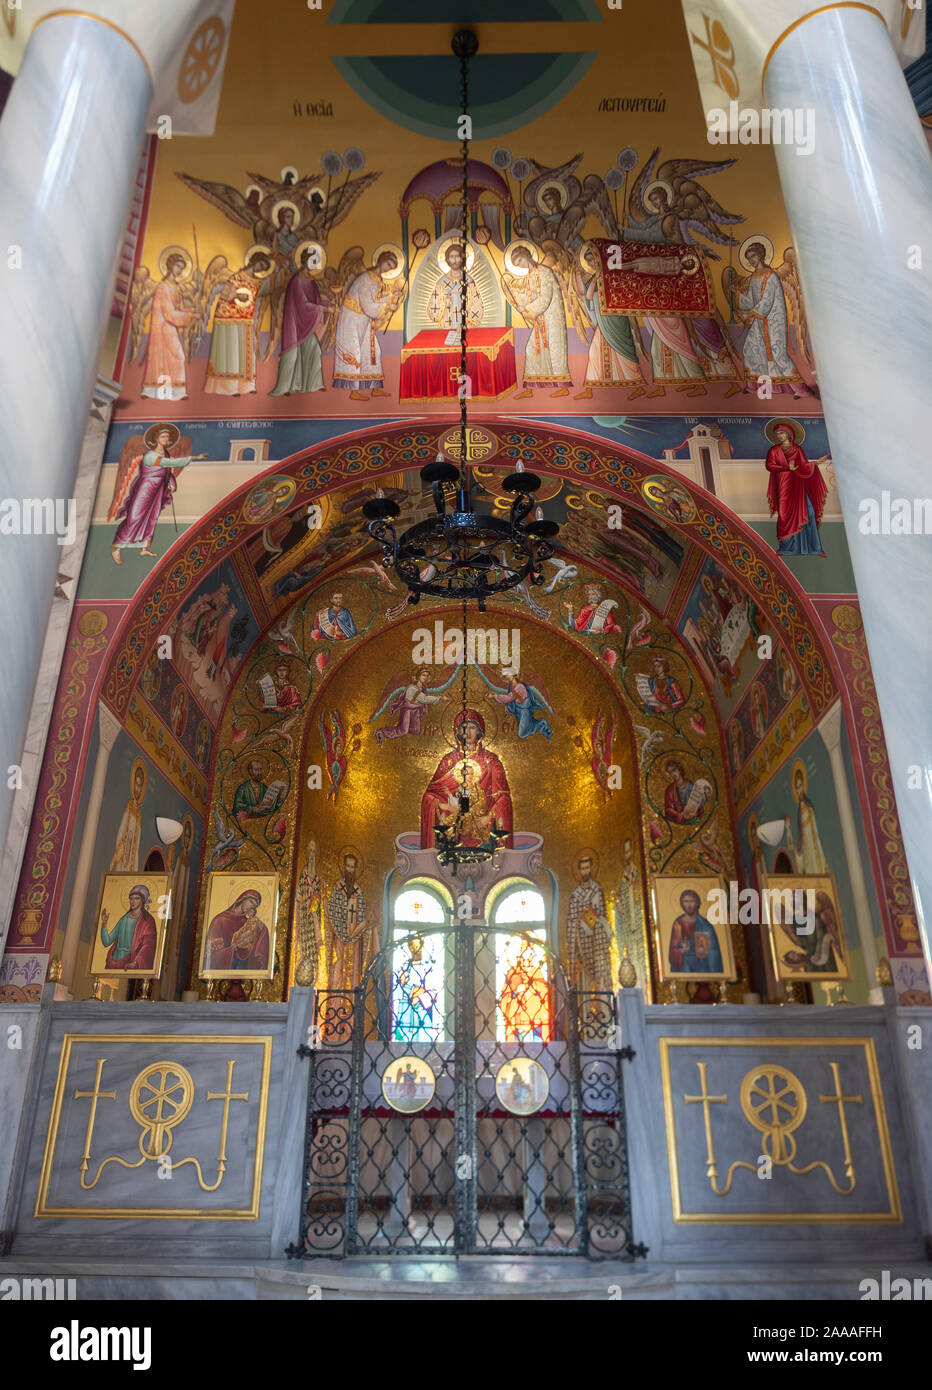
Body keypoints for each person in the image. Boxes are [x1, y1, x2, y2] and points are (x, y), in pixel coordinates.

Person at [109, 424, 206, 564]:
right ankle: (117, 549)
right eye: (163, 436)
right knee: (135, 515)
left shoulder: (165, 453)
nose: (166, 439)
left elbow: (166, 469)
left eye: (167, 437)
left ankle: (144, 547)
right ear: (156, 439)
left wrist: (171, 481)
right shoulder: (150, 455)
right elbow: (166, 463)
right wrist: (194, 458)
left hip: (158, 488)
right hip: (146, 487)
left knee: (152, 517)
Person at [420, 710, 512, 850]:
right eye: (463, 727)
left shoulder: (491, 761)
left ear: (480, 731)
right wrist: (443, 806)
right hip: (453, 833)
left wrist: (490, 816)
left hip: (483, 830)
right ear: (457, 731)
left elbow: (503, 797)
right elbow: (431, 795)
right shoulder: (448, 762)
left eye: (472, 727)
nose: (467, 732)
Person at [333, 249, 405, 400]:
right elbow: (369, 306)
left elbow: (376, 300)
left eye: (391, 267)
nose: (388, 269)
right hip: (351, 319)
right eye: (388, 264)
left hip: (363, 319)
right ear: (381, 261)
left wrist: (392, 297)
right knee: (354, 352)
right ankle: (354, 391)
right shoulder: (366, 278)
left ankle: (374, 387)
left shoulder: (376, 279)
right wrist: (387, 307)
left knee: (373, 352)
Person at [503, 246, 570, 398]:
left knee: (555, 350)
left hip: (552, 318)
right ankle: (529, 388)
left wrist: (527, 308)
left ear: (526, 255)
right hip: (540, 319)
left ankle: (563, 385)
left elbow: (545, 297)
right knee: (531, 349)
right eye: (516, 264)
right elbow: (529, 297)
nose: (519, 265)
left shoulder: (545, 272)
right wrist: (517, 299)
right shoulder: (529, 277)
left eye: (519, 260)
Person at [736, 242, 803, 393]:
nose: (751, 260)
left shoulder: (771, 275)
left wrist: (750, 313)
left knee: (778, 354)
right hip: (759, 320)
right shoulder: (753, 277)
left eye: (752, 256)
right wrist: (737, 297)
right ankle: (755, 386)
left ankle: (800, 389)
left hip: (773, 321)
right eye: (748, 258)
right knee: (751, 349)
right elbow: (751, 300)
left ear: (760, 255)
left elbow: (767, 301)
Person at [204, 250, 273, 396]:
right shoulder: (236, 277)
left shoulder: (257, 282)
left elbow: (265, 291)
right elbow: (225, 294)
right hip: (229, 318)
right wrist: (236, 295)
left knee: (246, 353)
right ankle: (229, 388)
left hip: (246, 320)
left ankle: (246, 386)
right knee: (231, 353)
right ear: (254, 261)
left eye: (264, 268)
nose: (261, 269)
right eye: (261, 264)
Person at [765, 420, 829, 557]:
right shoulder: (774, 450)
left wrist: (815, 463)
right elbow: (769, 466)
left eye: (782, 433)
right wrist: (786, 467)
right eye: (777, 434)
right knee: (784, 516)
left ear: (789, 434)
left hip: (798, 486)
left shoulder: (797, 449)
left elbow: (804, 466)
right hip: (783, 486)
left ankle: (814, 548)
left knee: (809, 513)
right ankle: (786, 548)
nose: (779, 436)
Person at [270, 242, 326, 396]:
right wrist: (323, 308)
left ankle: (313, 384)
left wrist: (327, 305)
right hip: (294, 323)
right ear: (305, 261)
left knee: (314, 349)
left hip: (306, 324)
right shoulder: (297, 281)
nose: (315, 263)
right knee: (292, 354)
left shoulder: (311, 281)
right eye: (313, 260)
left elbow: (316, 302)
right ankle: (284, 387)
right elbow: (303, 305)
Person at [141, 252, 193, 400]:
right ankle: (165, 391)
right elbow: (169, 312)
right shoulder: (162, 287)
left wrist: (192, 311)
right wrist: (189, 317)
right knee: (177, 356)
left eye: (182, 268)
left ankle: (173, 391)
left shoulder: (177, 287)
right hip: (162, 327)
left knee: (173, 357)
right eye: (178, 266)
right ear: (170, 265)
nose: (180, 270)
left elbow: (179, 308)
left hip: (170, 327)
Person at [566, 853, 613, 993]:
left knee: (600, 971)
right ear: (579, 871)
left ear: (591, 868)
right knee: (585, 978)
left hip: (597, 940)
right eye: (582, 869)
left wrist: (596, 920)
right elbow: (571, 919)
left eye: (587, 868)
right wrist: (580, 921)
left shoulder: (597, 890)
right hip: (582, 941)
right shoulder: (575, 895)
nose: (585, 871)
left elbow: (604, 914)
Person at [204, 890, 269, 972]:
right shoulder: (220, 920)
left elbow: (253, 945)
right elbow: (212, 954)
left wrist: (262, 929)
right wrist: (231, 950)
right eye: (251, 902)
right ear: (242, 899)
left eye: (255, 907)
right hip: (227, 968)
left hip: (242, 968)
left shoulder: (247, 922)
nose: (252, 907)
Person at [99, 884, 158, 972]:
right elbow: (107, 942)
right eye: (131, 898)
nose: (133, 901)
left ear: (143, 900)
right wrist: (104, 924)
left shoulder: (148, 921)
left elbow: (148, 945)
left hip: (130, 962)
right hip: (113, 962)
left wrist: (136, 961)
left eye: (137, 898)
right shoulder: (124, 919)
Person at [376, 668, 442, 745]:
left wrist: (424, 708)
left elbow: (423, 700)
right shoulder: (412, 688)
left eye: (427, 676)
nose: (425, 677)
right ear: (418, 676)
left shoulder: (423, 688)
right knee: (403, 731)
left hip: (415, 712)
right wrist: (440, 698)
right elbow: (424, 699)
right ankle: (382, 732)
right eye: (423, 675)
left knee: (415, 731)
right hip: (407, 710)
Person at [427, 242, 483, 330]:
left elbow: (477, 304)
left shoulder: (469, 281)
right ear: (447, 259)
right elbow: (433, 308)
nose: (454, 260)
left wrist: (466, 313)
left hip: (465, 327)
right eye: (451, 257)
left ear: (462, 258)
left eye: (457, 256)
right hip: (447, 325)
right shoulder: (441, 283)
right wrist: (445, 303)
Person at [668, 887, 723, 973]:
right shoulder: (678, 924)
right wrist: (682, 951)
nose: (689, 905)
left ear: (697, 903)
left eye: (691, 901)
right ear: (682, 904)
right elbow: (673, 950)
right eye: (685, 901)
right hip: (684, 968)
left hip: (702, 968)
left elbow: (713, 951)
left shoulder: (705, 925)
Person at [492, 672, 552, 740]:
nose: (506, 676)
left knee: (522, 734)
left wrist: (495, 695)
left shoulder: (520, 686)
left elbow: (510, 698)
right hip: (518, 712)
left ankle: (541, 723)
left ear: (514, 675)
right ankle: (535, 724)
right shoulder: (511, 687)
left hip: (524, 711)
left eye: (508, 674)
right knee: (523, 731)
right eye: (506, 675)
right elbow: (510, 699)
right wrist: (507, 706)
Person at [110, 763, 146, 871]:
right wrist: (121, 851)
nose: (137, 789)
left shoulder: (139, 814)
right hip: (123, 857)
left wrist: (135, 869)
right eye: (136, 784)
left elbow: (137, 845)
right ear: (133, 783)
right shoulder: (129, 807)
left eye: (140, 786)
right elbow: (121, 829)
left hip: (130, 862)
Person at [663, 759, 711, 824]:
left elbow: (699, 801)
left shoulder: (691, 785)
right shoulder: (670, 790)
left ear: (679, 769)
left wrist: (704, 793)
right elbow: (668, 810)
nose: (672, 774)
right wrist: (680, 814)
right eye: (670, 772)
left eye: (674, 770)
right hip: (680, 819)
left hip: (693, 816)